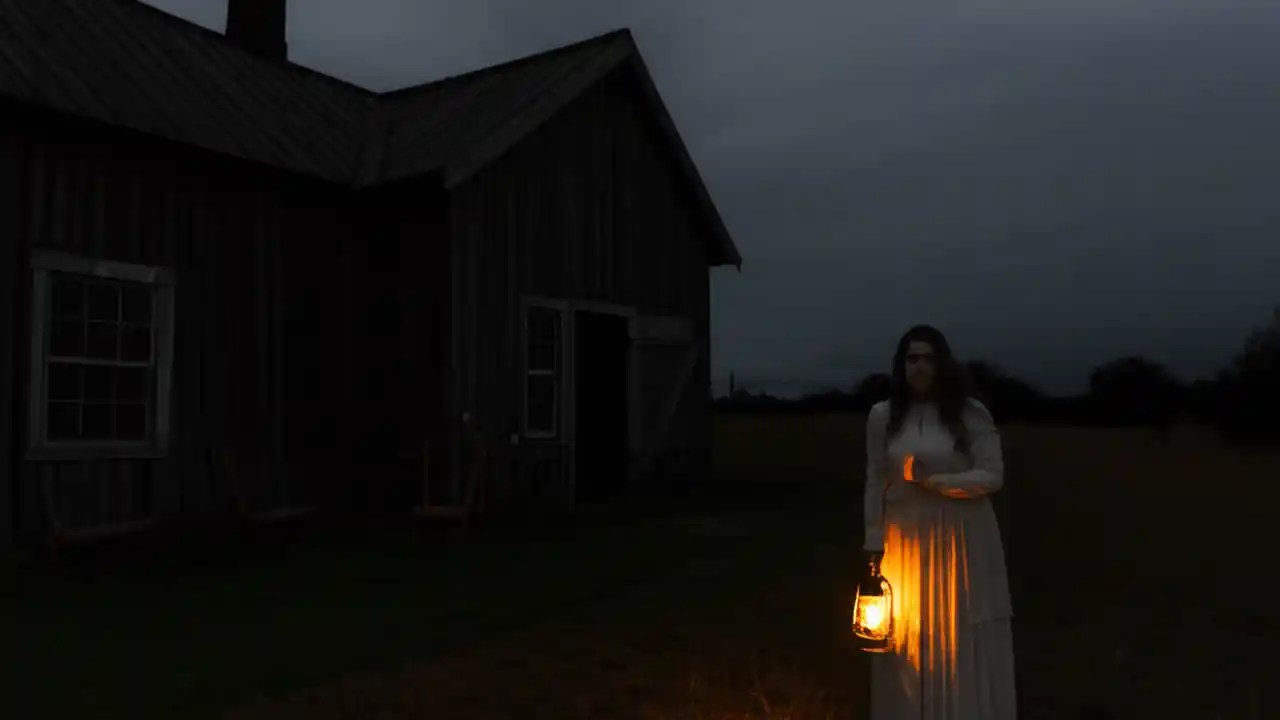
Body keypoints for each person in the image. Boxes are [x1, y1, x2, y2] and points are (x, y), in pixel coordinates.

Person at [862, 325, 1017, 718]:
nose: (920, 366)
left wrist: (936, 482)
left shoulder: (969, 414)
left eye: (929, 358)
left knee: (958, 632)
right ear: (902, 365)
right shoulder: (883, 416)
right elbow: (874, 481)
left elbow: (991, 475)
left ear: (942, 363)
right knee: (908, 634)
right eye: (912, 358)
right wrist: (873, 542)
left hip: (960, 541)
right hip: (905, 543)